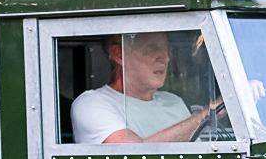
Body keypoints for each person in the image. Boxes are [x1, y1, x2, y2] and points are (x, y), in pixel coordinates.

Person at [70, 32, 226, 144]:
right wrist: (204, 116)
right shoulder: (90, 104)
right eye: (152, 49)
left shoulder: (174, 102)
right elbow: (131, 156)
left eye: (166, 50)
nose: (165, 58)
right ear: (119, 54)